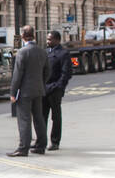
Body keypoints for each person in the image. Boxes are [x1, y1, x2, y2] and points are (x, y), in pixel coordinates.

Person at [7, 24, 50, 156]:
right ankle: (41, 145)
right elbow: (47, 71)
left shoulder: (22, 52)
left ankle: (23, 148)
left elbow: (17, 74)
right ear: (34, 36)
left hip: (25, 91)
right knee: (39, 118)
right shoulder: (42, 51)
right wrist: (42, 83)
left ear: (22, 37)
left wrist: (13, 93)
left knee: (24, 119)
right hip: (38, 89)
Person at [42, 30, 71, 151]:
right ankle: (41, 141)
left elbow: (66, 73)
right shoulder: (45, 52)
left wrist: (59, 86)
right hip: (44, 88)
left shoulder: (63, 53)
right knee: (42, 116)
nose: (48, 41)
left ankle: (55, 141)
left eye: (50, 39)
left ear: (57, 40)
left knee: (56, 117)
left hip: (55, 89)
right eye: (47, 39)